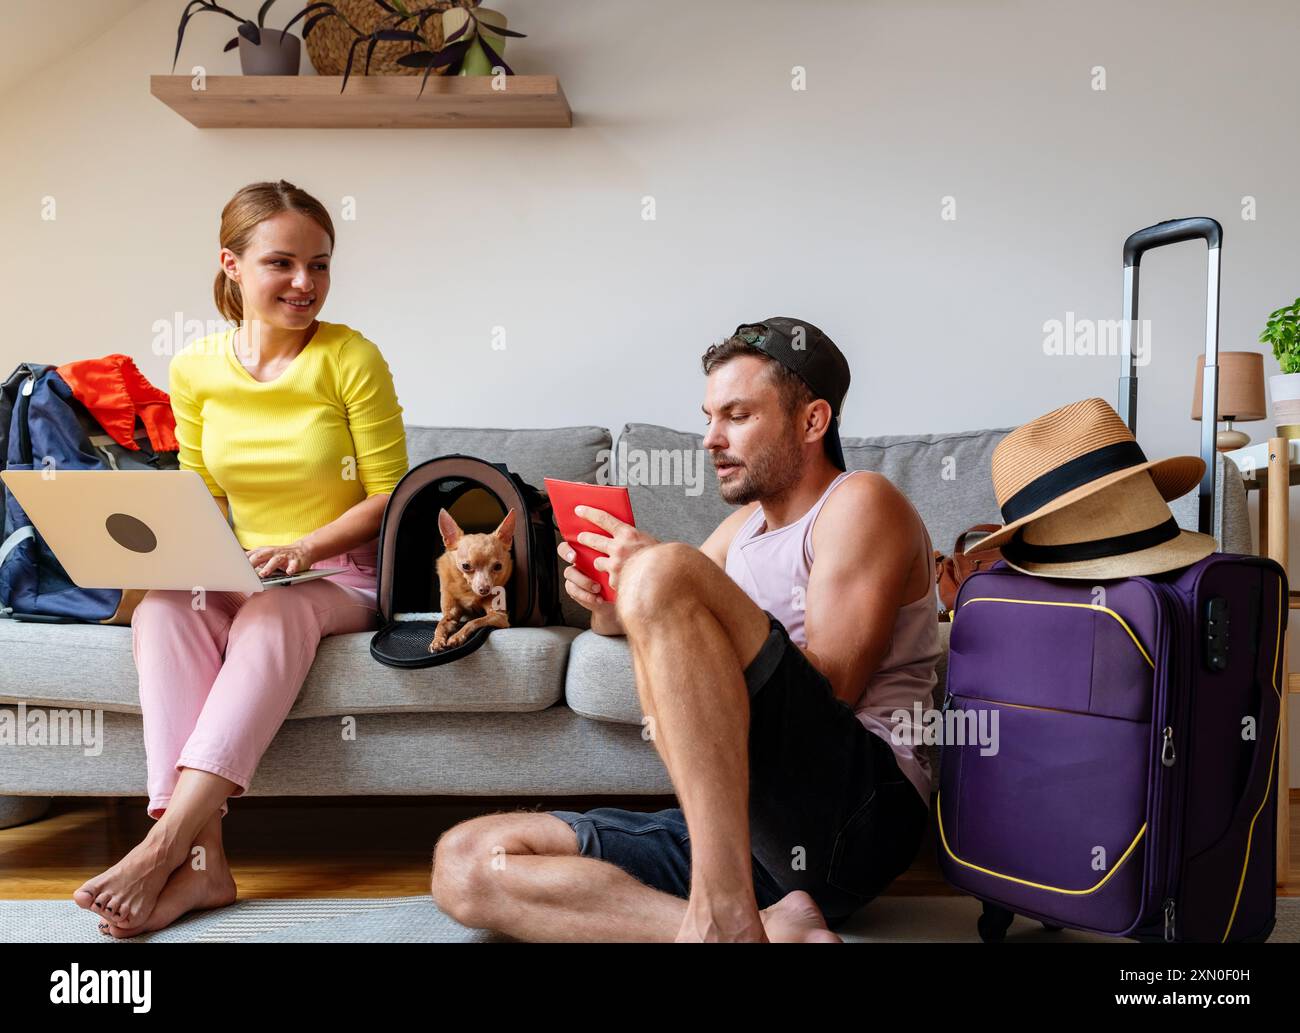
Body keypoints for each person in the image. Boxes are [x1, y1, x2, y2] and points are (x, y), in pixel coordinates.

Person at [430, 317, 939, 942]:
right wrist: (609, 601)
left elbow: (834, 686)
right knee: (465, 864)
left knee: (667, 566)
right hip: (745, 830)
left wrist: (658, 573)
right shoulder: (743, 528)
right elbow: (658, 620)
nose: (710, 439)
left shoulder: (860, 502)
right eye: (708, 418)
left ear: (812, 421)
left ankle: (721, 913)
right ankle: (765, 930)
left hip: (855, 816)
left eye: (737, 416)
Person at [73, 180, 409, 938]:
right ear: (231, 264)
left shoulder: (350, 357)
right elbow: (206, 495)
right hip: (248, 567)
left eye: (320, 264)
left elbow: (393, 494)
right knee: (163, 609)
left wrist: (306, 547)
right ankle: (206, 867)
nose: (305, 283)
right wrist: (172, 547)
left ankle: (162, 844)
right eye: (282, 263)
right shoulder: (195, 369)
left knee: (270, 611)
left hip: (341, 572)